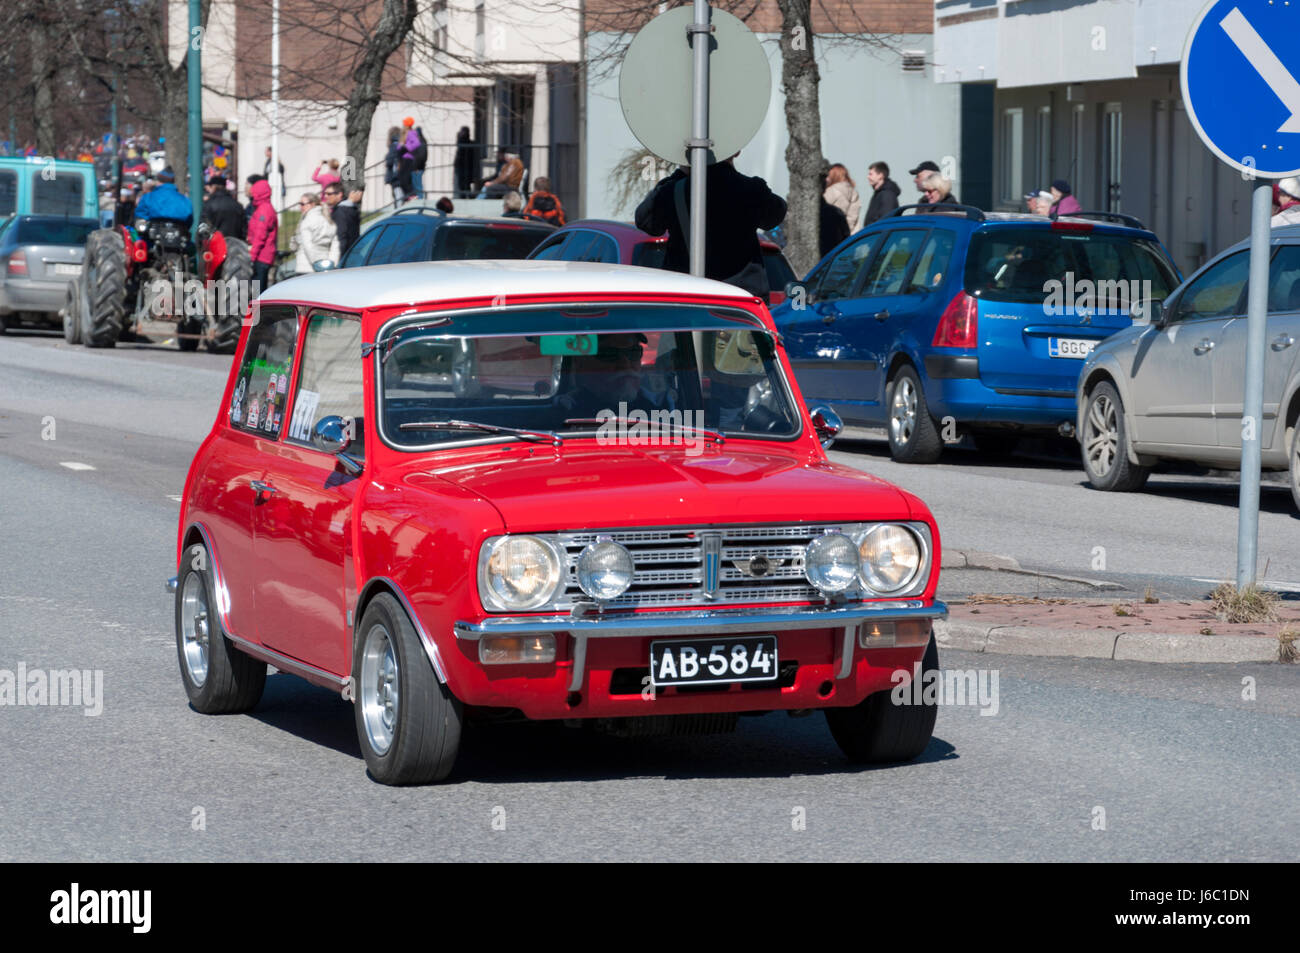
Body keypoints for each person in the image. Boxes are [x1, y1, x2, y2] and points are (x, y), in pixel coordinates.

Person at [634, 153, 786, 301]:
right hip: (742, 304)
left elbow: (646, 222)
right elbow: (775, 216)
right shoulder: (752, 189)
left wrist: (681, 173)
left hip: (689, 300)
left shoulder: (674, 190)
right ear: (736, 151)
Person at [556, 333, 661, 420]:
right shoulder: (563, 412)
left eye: (634, 352)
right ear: (580, 363)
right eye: (609, 354)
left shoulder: (663, 407)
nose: (625, 365)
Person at [294, 193, 339, 273]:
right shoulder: (328, 219)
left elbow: (308, 245)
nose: (300, 207)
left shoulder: (307, 221)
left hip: (306, 266)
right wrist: (332, 263)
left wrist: (317, 263)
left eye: (302, 204)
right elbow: (335, 246)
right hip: (327, 263)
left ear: (312, 204)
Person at [246, 179, 278, 286]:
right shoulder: (262, 208)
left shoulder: (264, 210)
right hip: (262, 256)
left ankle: (256, 304)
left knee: (257, 291)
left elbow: (260, 235)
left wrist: (252, 256)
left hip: (262, 257)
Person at [201, 175, 246, 240]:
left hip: (215, 245)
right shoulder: (237, 205)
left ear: (213, 187)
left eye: (210, 187)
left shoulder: (209, 204)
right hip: (234, 245)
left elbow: (204, 228)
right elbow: (243, 229)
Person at [823, 163, 861, 232]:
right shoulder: (854, 192)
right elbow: (853, 216)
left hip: (831, 232)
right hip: (849, 236)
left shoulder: (831, 191)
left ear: (834, 176)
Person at [333, 183, 363, 256]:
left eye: (329, 194)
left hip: (346, 252)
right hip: (349, 251)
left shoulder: (343, 210)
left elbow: (342, 235)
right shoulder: (344, 209)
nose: (326, 196)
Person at [399, 117, 420, 201]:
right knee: (402, 178)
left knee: (404, 178)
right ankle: (409, 196)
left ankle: (411, 195)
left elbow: (417, 143)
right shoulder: (405, 133)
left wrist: (407, 147)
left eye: (404, 123)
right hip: (404, 158)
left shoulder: (410, 133)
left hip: (408, 158)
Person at [454, 126, 477, 198]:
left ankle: (466, 196)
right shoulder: (462, 141)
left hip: (467, 166)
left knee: (466, 184)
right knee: (462, 184)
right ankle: (463, 196)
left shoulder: (468, 143)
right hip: (462, 165)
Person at [384, 127, 404, 204]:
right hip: (401, 175)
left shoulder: (394, 146)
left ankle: (399, 212)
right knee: (399, 196)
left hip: (395, 176)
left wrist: (387, 159)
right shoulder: (401, 145)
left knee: (398, 196)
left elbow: (390, 161)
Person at [412, 126, 429, 199]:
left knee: (418, 185)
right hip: (417, 167)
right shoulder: (421, 142)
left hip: (418, 168)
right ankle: (419, 198)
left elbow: (421, 157)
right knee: (416, 185)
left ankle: (420, 199)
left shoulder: (421, 142)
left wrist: (416, 167)